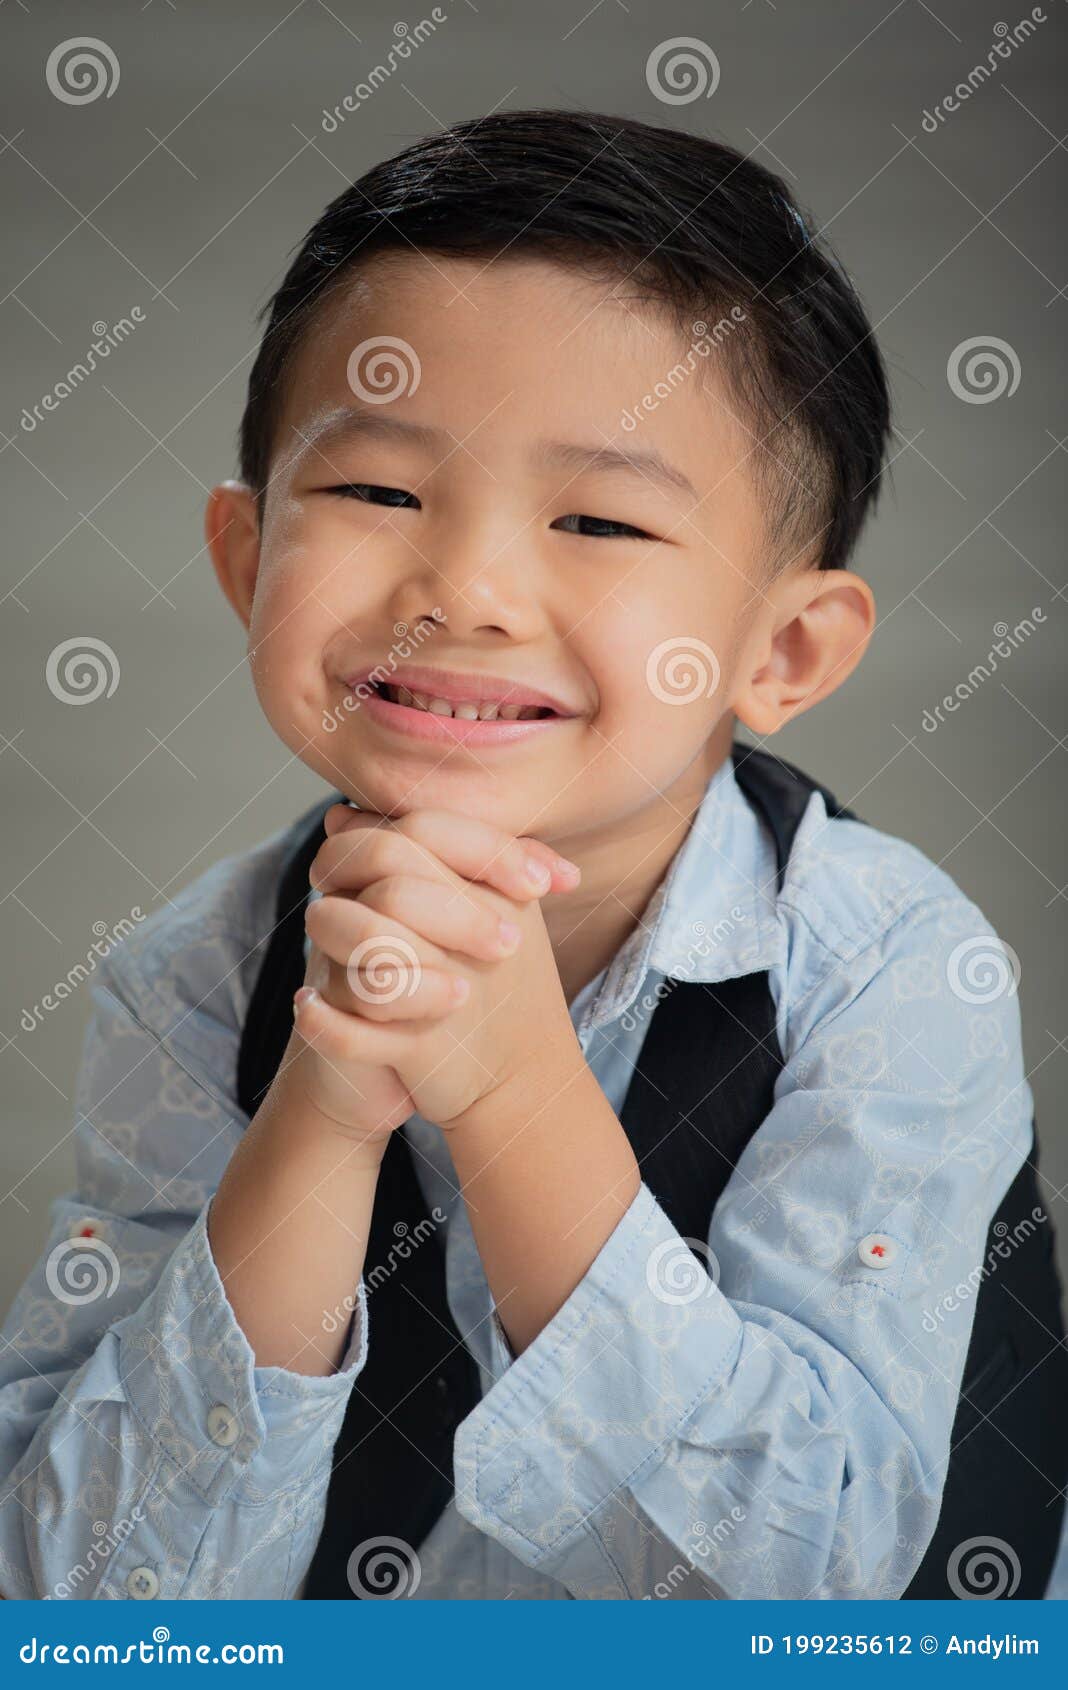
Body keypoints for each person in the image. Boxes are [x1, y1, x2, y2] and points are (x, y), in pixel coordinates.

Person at [1, 108, 1062, 1602]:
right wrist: (323, 1099)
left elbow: (809, 1588)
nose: (469, 587)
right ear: (247, 563)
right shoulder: (198, 973)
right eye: (378, 492)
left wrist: (508, 1088)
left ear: (785, 648)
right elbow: (86, 1602)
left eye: (600, 517)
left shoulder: (891, 969)